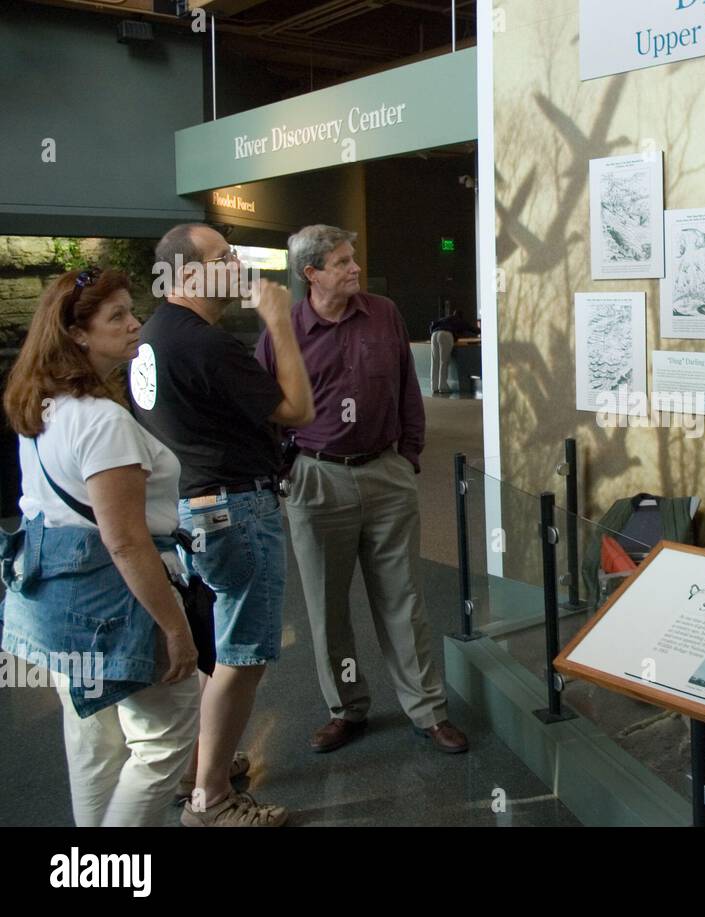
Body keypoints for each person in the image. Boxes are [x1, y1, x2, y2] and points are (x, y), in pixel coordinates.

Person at [0, 267, 200, 827]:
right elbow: (126, 541)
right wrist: (175, 630)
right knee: (162, 743)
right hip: (116, 604)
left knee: (93, 739)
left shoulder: (39, 407)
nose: (134, 323)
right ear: (78, 334)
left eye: (130, 311)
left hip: (57, 603)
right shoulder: (103, 421)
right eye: (117, 316)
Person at [130, 224, 315, 827]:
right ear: (188, 274)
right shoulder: (209, 345)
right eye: (223, 258)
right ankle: (211, 799)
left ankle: (197, 769)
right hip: (238, 510)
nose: (237, 265)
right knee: (243, 653)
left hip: (196, 511)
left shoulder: (153, 337)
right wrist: (279, 322)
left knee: (222, 646)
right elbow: (297, 410)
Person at [258, 224, 468, 755]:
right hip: (315, 477)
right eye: (343, 262)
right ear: (311, 274)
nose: (355, 269)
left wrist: (409, 455)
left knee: (404, 600)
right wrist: (287, 472)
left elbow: (406, 389)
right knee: (327, 609)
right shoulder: (284, 329)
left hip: (387, 472)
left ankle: (427, 710)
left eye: (354, 258)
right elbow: (260, 407)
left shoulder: (385, 314)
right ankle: (346, 709)